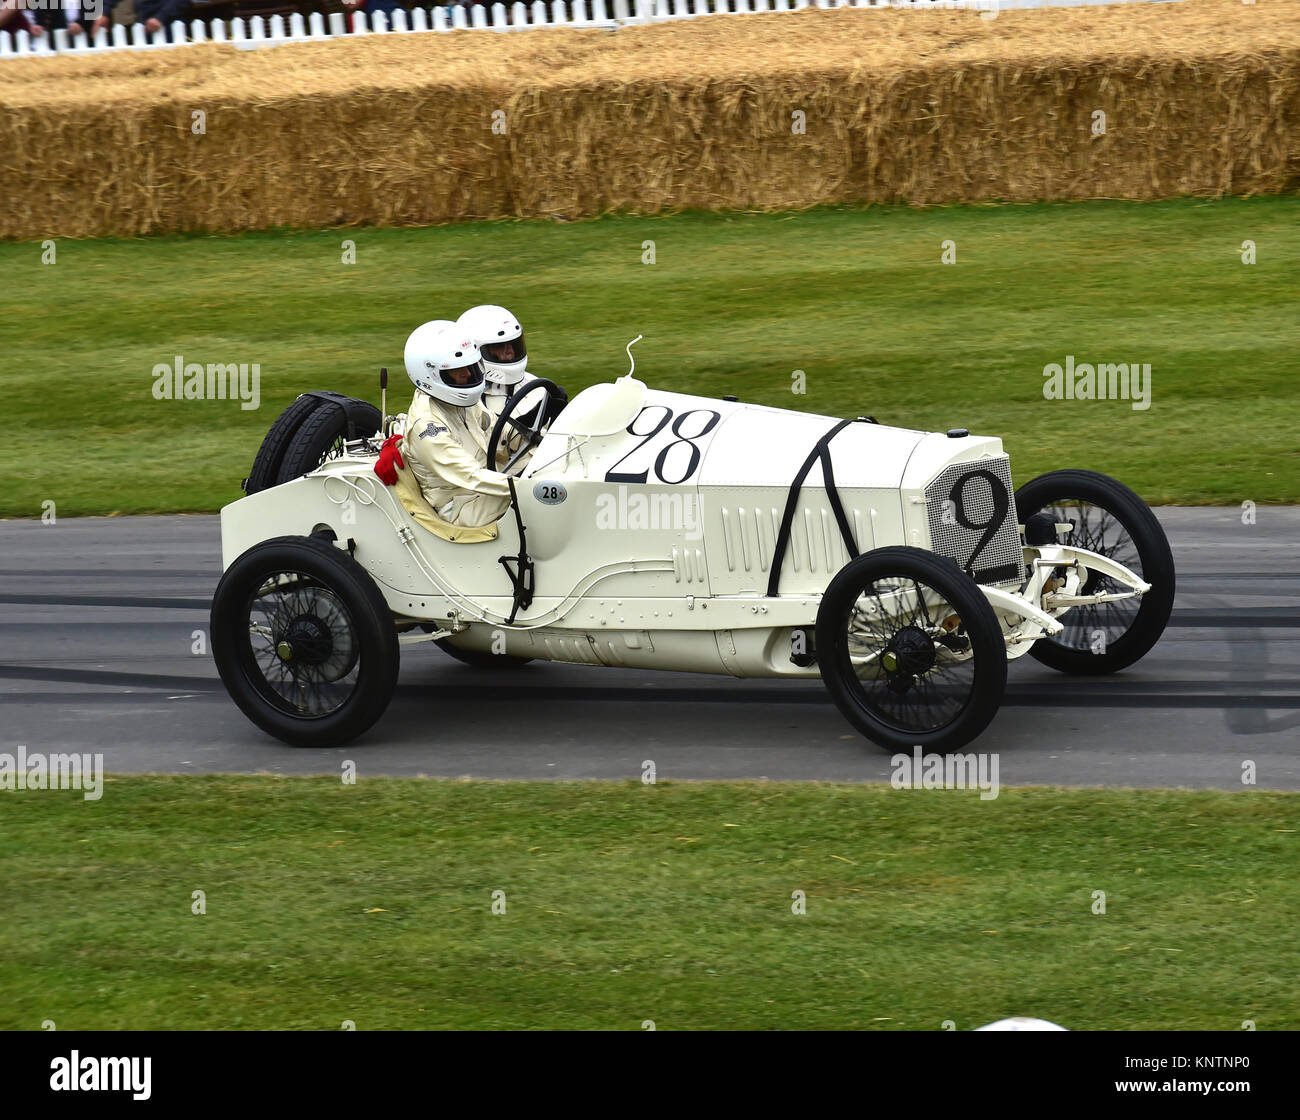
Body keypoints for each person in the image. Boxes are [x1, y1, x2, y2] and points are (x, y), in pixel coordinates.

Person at [377, 320, 527, 529]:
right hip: (461, 507)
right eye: (459, 370)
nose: (468, 374)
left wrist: (538, 431)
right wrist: (528, 487)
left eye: (471, 367)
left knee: (544, 462)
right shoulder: (426, 427)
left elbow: (497, 431)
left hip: (484, 486)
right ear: (431, 375)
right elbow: (470, 476)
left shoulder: (459, 402)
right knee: (538, 499)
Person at [456, 303, 567, 425]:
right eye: (499, 346)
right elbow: (490, 440)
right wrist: (534, 419)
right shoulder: (465, 402)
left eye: (513, 344)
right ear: (475, 353)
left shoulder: (538, 388)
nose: (511, 352)